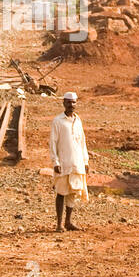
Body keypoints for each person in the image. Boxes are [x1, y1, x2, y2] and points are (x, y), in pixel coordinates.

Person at [48, 91, 89, 231]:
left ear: (76, 103)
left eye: (73, 102)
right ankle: (59, 224)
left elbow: (82, 142)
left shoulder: (78, 121)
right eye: (68, 102)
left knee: (73, 192)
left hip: (77, 163)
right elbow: (53, 143)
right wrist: (55, 162)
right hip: (63, 163)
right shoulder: (57, 121)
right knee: (61, 192)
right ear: (63, 103)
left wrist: (85, 161)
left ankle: (68, 222)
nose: (71, 105)